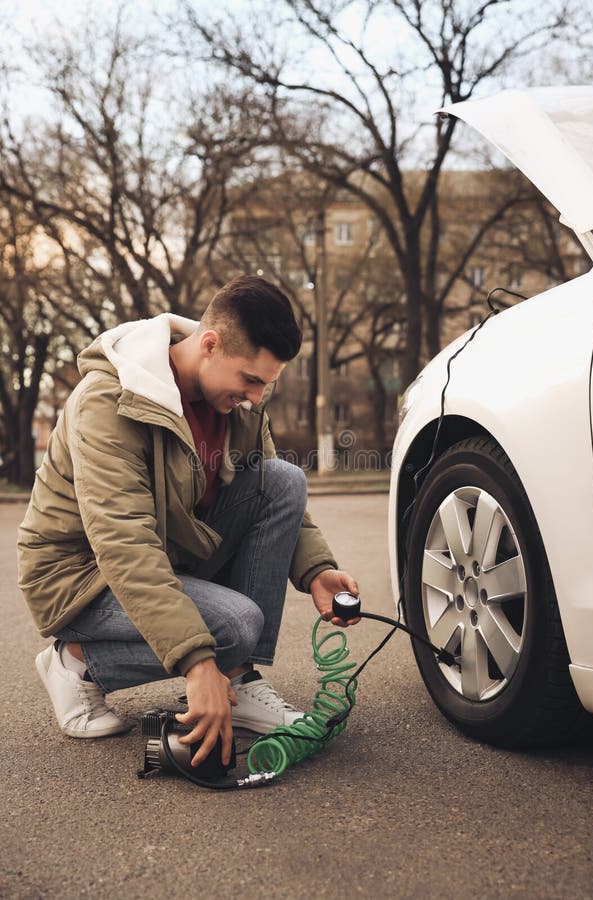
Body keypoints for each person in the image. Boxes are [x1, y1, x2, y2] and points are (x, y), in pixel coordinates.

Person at [18, 275, 359, 769]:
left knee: (281, 479)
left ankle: (239, 679)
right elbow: (124, 544)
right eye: (250, 380)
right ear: (210, 344)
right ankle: (77, 664)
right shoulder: (109, 402)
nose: (257, 397)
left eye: (267, 383)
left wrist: (316, 571)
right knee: (236, 624)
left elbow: (266, 497)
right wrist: (197, 664)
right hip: (81, 576)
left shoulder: (237, 406)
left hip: (170, 546)